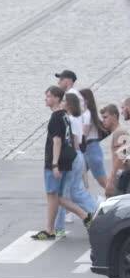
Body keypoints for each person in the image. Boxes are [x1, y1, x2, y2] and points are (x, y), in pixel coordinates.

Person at [32, 86, 92, 241]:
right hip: (67, 159)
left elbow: (57, 141)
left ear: (57, 99)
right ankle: (52, 228)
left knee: (53, 196)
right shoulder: (64, 115)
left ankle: (82, 217)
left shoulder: (56, 117)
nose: (46, 98)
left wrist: (54, 164)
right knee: (57, 196)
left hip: (57, 161)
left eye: (49, 96)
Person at [54, 93, 97, 237]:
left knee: (65, 194)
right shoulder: (77, 119)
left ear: (70, 104)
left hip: (72, 156)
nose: (62, 102)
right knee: (71, 193)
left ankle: (96, 214)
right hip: (77, 156)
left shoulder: (70, 120)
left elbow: (74, 141)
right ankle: (59, 226)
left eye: (65, 100)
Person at [80, 88, 108, 188]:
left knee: (104, 182)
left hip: (91, 149)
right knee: (77, 178)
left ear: (86, 100)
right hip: (90, 148)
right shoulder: (88, 113)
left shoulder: (87, 114)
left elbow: (84, 134)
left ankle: (119, 199)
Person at [101, 104, 130, 197]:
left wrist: (111, 179)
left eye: (106, 117)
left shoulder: (119, 132)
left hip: (120, 177)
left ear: (114, 116)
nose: (103, 121)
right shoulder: (119, 132)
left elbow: (121, 156)